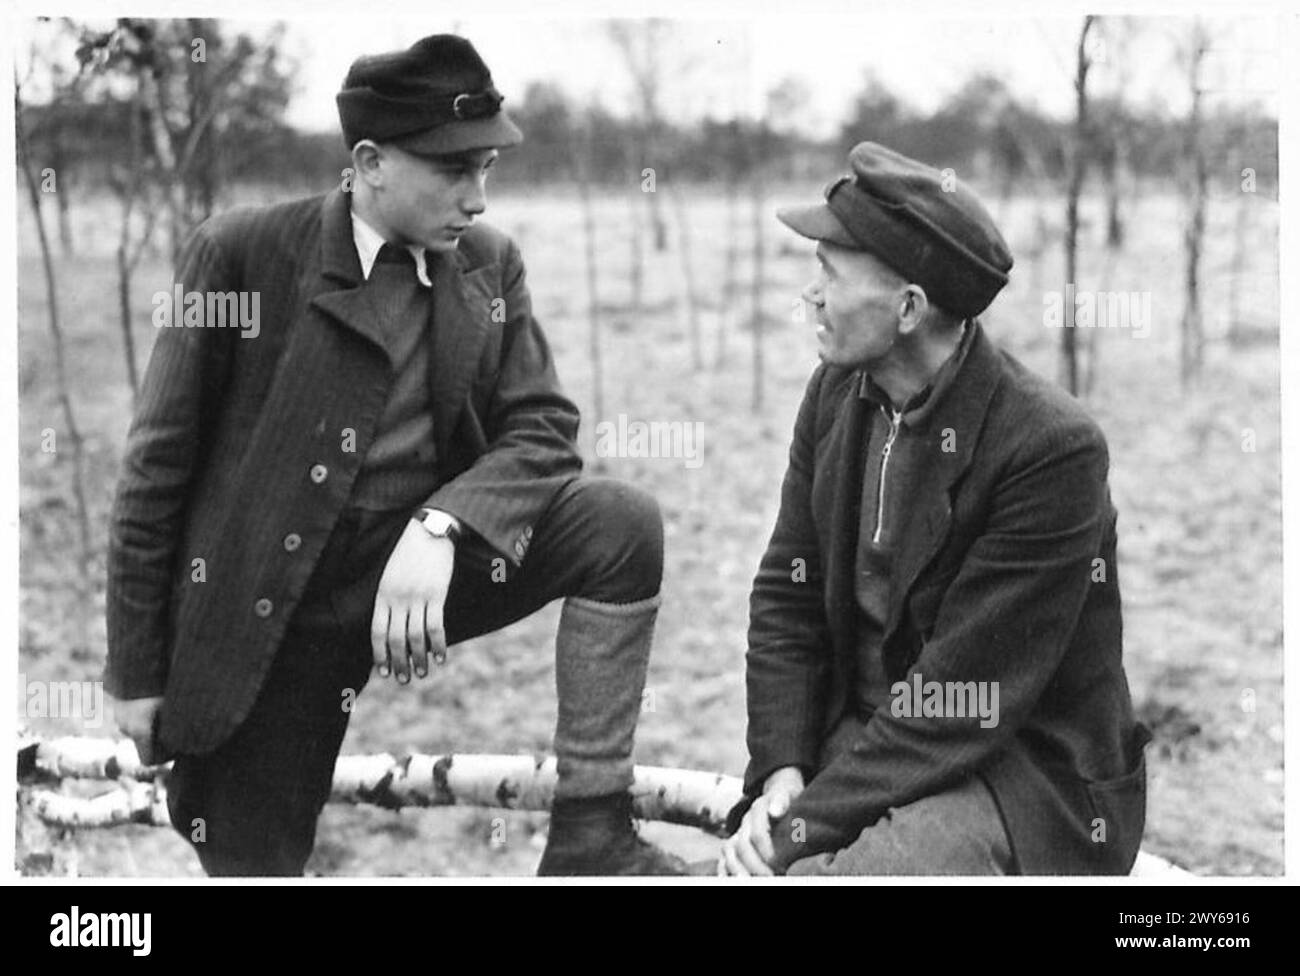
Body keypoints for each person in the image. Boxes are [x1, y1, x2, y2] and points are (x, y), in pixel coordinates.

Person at [104, 34, 684, 877]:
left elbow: (544, 428)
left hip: (423, 577)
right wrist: (134, 670)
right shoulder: (242, 255)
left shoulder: (489, 266)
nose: (478, 199)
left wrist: (444, 523)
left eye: (487, 167)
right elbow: (155, 469)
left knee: (619, 523)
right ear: (370, 162)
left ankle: (591, 832)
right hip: (277, 614)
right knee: (249, 858)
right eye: (454, 170)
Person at [720, 141, 1150, 876]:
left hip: (1012, 768)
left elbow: (959, 702)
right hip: (867, 743)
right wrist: (782, 768)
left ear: (910, 308)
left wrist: (797, 830)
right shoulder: (834, 395)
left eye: (828, 273)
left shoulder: (1051, 450)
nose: (809, 296)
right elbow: (786, 599)